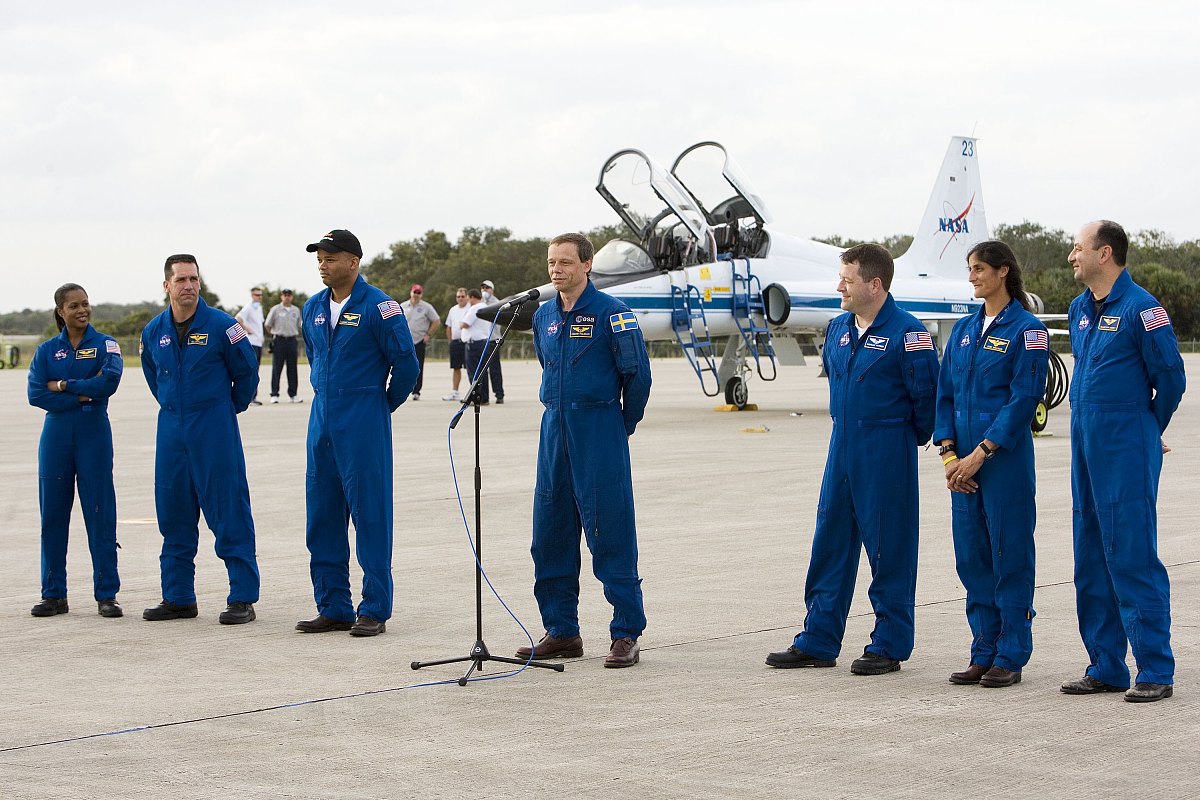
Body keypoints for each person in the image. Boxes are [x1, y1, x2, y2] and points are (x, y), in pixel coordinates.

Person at [766, 243, 938, 675]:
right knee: (830, 542)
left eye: (847, 279)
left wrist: (901, 439)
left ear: (874, 285)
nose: (838, 285)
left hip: (886, 447)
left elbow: (927, 400)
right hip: (841, 445)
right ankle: (819, 639)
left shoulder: (909, 334)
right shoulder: (838, 328)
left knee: (890, 546)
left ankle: (890, 642)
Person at [1060, 220, 1185, 703]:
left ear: (1104, 253)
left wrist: (1147, 429)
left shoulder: (1144, 309)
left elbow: (1171, 378)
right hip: (1084, 437)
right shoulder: (1078, 309)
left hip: (1125, 438)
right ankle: (1106, 665)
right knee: (1090, 553)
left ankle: (1155, 668)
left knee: (1130, 552)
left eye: (1078, 247)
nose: (1072, 255)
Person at [515, 233, 652, 668]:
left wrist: (618, 426)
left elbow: (638, 378)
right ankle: (561, 631)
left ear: (587, 265)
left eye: (566, 263)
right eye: (552, 262)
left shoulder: (615, 315)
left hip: (599, 427)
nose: (557, 270)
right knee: (550, 531)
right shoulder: (543, 317)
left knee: (609, 530)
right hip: (554, 427)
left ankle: (626, 631)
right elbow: (548, 365)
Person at [933, 240, 1049, 689]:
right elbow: (945, 395)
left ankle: (1011, 653)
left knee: (1010, 555)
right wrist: (949, 456)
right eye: (969, 269)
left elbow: (1023, 399)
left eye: (979, 268)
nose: (971, 277)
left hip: (1002, 464)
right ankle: (983, 649)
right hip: (961, 466)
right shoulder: (962, 331)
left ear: (1004, 272)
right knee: (973, 559)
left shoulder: (1028, 330)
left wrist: (981, 454)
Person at [297, 229, 419, 637]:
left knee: (370, 514)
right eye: (320, 257)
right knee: (323, 515)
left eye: (331, 257)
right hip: (322, 417)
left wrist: (381, 405)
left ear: (353, 261)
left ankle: (374, 607)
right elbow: (316, 356)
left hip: (364, 415)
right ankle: (333, 605)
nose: (323, 264)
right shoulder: (313, 307)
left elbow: (405, 366)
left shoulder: (380, 307)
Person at [140, 255, 261, 625]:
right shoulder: (152, 332)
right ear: (167, 286)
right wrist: (174, 407)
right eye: (181, 280)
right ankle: (178, 597)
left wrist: (223, 411)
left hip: (214, 430)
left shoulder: (225, 327)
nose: (189, 286)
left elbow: (247, 376)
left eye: (194, 279)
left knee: (228, 511)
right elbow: (153, 376)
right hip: (171, 431)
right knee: (173, 512)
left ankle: (242, 597)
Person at [27, 284, 124, 619]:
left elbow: (108, 383)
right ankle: (53, 594)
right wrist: (81, 395)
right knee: (52, 514)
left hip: (93, 432)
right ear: (60, 311)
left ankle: (106, 593)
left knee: (100, 511)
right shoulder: (45, 351)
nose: (82, 310)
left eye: (85, 304)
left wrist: (66, 386)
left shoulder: (106, 344)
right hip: (56, 435)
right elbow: (37, 394)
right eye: (74, 306)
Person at [400, 283, 440, 400]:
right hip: (405, 341)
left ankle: (416, 391)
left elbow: (436, 321)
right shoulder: (403, 306)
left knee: (418, 367)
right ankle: (403, 389)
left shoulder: (426, 307)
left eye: (419, 293)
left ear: (421, 294)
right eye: (415, 292)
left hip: (419, 341)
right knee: (403, 366)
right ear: (411, 292)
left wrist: (428, 334)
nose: (416, 295)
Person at [265, 288, 303, 403]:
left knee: (292, 368)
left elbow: (300, 324)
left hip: (291, 340)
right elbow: (268, 324)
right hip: (279, 341)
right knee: (277, 368)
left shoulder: (295, 310)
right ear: (281, 296)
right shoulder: (276, 309)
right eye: (285, 295)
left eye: (289, 295)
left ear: (291, 297)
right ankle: (274, 394)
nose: (287, 297)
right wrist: (273, 334)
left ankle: (293, 394)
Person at [459, 289, 492, 404]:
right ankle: (484, 397)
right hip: (484, 342)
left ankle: (476, 396)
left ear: (472, 297)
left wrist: (460, 324)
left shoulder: (474, 308)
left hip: (474, 344)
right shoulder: (485, 306)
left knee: (474, 372)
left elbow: (465, 324)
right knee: (483, 371)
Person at [236, 286, 266, 406]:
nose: (259, 297)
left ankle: (254, 396)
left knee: (257, 370)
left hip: (258, 342)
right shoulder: (248, 307)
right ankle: (250, 397)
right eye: (257, 295)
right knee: (252, 369)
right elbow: (238, 319)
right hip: (252, 342)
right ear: (252, 295)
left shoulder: (258, 308)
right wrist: (248, 330)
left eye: (260, 295)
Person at [480, 279, 504, 403]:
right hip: (482, 339)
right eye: (483, 288)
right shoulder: (480, 303)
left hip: (494, 339)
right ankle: (484, 395)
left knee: (494, 369)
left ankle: (499, 394)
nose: (485, 290)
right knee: (482, 369)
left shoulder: (497, 303)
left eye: (487, 288)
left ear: (492, 290)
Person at [442, 287, 469, 401]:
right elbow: (449, 326)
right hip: (455, 342)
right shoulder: (453, 310)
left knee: (471, 368)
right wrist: (450, 341)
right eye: (458, 297)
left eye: (462, 296)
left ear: (467, 297)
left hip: (468, 342)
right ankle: (455, 392)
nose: (460, 299)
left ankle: (473, 391)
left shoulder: (471, 308)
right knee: (456, 367)